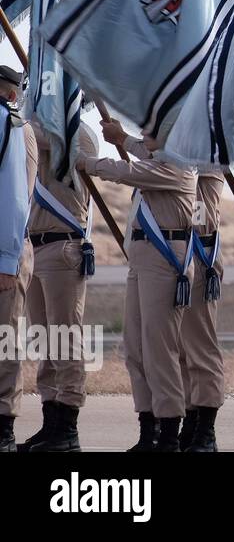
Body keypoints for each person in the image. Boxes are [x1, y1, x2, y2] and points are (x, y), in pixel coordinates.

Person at [83, 118, 197, 452]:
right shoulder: (159, 158)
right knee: (136, 347)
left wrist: (84, 162)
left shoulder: (177, 166)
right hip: (144, 255)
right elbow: (140, 151)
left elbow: (127, 171)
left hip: (166, 258)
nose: (144, 133)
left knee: (160, 350)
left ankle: (169, 432)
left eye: (150, 128)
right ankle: (148, 429)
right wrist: (122, 137)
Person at [16, 77, 98, 453]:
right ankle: (51, 421)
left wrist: (27, 117)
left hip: (64, 245)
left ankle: (68, 425)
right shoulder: (30, 133)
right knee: (44, 340)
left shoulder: (80, 134)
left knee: (66, 338)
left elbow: (59, 147)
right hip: (36, 245)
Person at [0, 65, 36, 453]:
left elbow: (13, 196)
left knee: (4, 342)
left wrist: (7, 261)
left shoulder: (10, 126)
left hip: (3, 252)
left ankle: (4, 428)